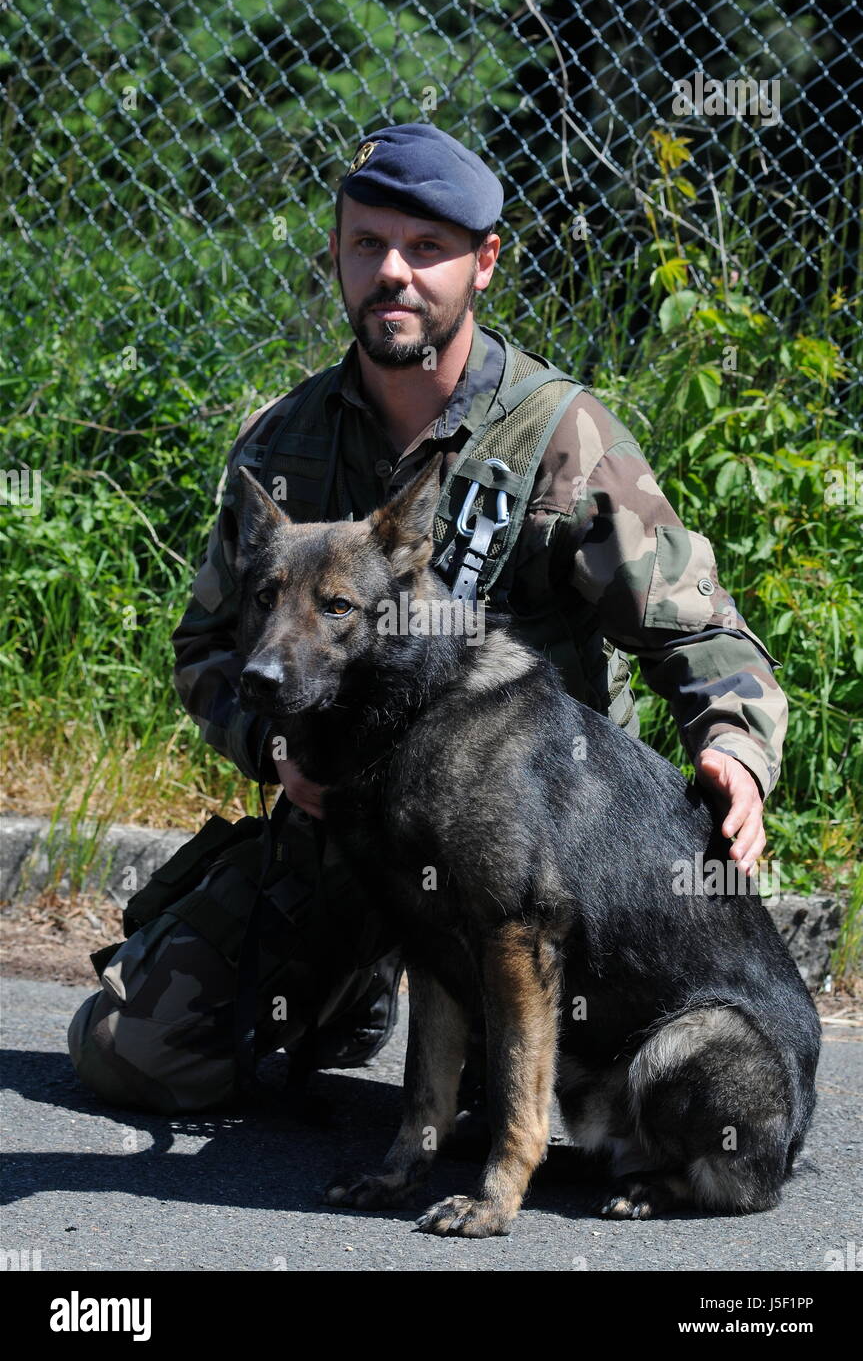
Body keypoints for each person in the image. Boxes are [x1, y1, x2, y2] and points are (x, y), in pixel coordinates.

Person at [67, 123, 788, 1114]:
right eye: (366, 245)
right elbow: (205, 648)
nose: (392, 273)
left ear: (483, 263)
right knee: (132, 1053)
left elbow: (695, 628)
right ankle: (354, 994)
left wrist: (734, 747)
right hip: (348, 831)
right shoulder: (283, 440)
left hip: (527, 856)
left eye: (425, 248)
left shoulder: (560, 437)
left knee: (546, 1110)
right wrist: (270, 749)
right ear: (334, 255)